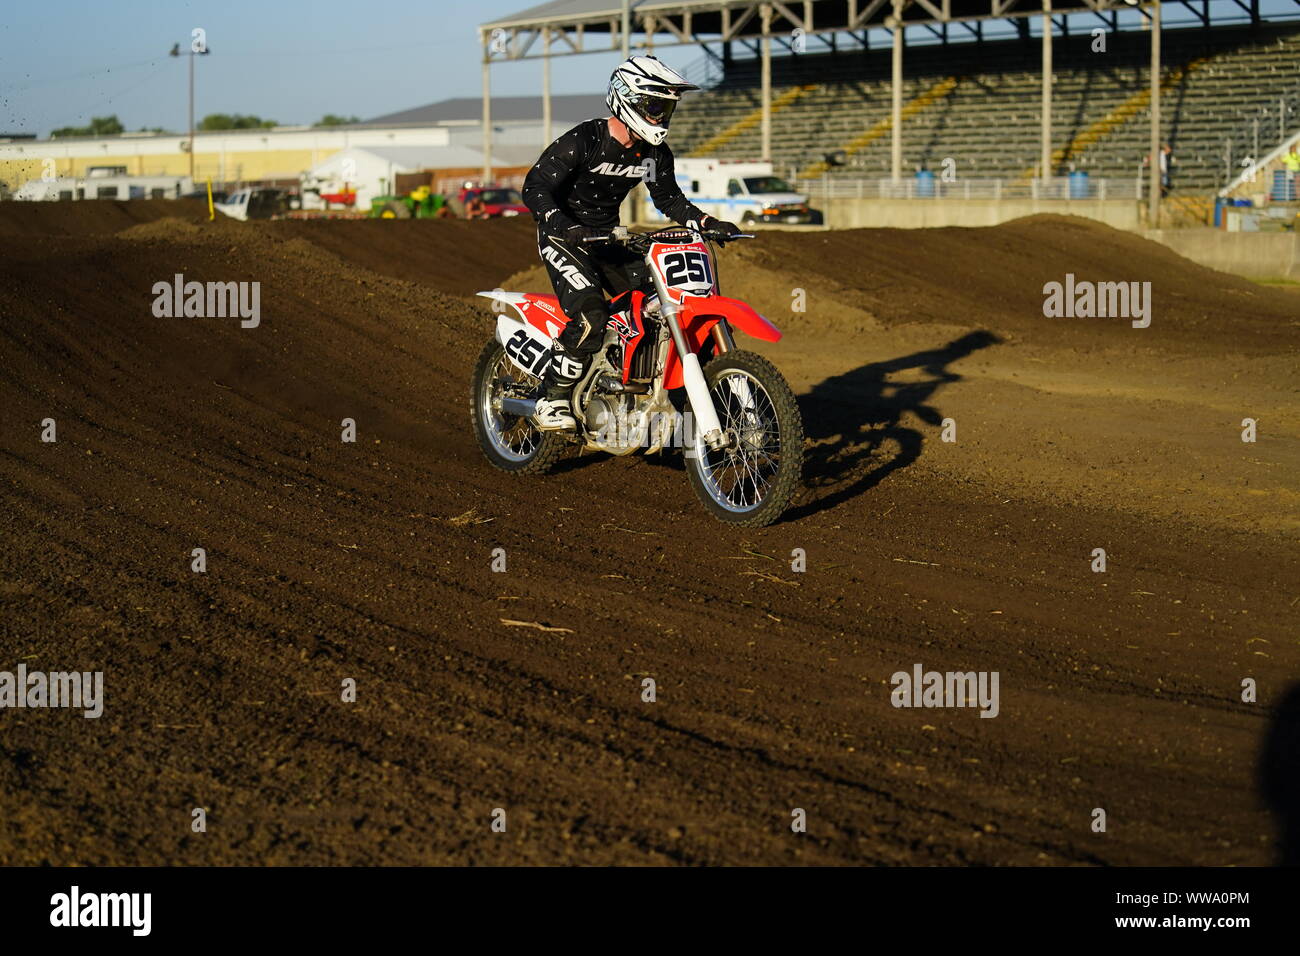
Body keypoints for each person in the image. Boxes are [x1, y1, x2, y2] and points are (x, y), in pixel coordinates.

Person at [521, 54, 741, 430]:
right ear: (627, 98)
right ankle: (552, 398)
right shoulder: (585, 139)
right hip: (565, 238)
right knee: (591, 316)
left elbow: (669, 200)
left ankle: (656, 392)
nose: (661, 116)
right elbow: (535, 187)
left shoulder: (653, 152)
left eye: (667, 107)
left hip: (611, 239)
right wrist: (561, 223)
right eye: (655, 106)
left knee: (659, 308)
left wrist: (706, 222)